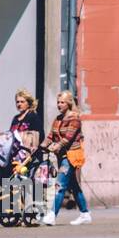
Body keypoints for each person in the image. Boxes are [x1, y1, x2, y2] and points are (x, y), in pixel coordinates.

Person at [43, 90, 90, 226]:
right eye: (58, 102)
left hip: (70, 156)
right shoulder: (58, 119)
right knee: (73, 186)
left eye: (62, 102)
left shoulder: (74, 118)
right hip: (61, 156)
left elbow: (67, 138)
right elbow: (50, 136)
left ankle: (52, 215)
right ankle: (85, 213)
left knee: (60, 185)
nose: (59, 104)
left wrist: (56, 146)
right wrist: (42, 146)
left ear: (69, 103)